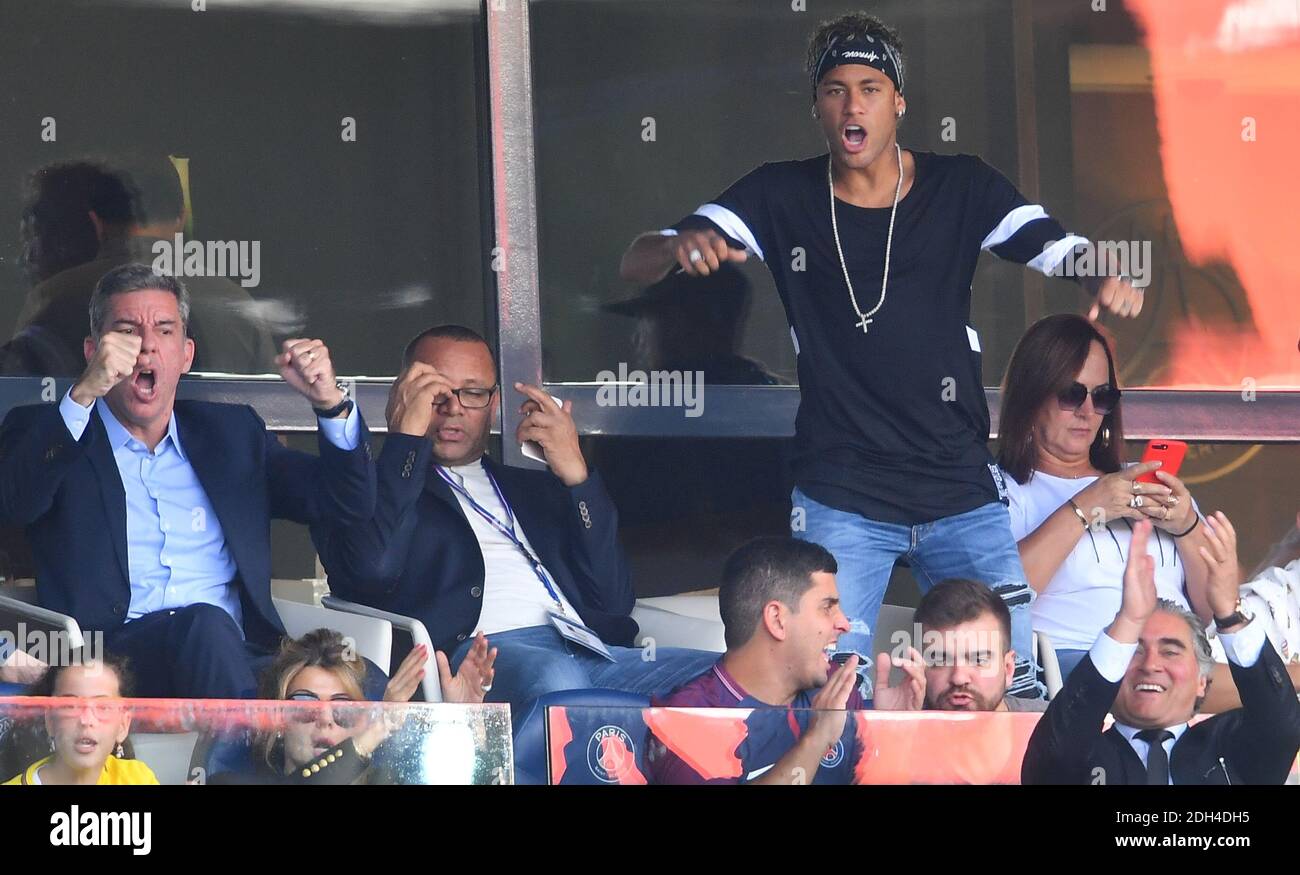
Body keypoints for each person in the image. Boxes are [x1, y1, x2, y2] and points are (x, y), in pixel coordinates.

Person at [619, 12, 1145, 699]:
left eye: (870, 86)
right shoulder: (781, 194)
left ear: (898, 101)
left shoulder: (960, 187)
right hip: (843, 490)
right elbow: (637, 260)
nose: (853, 103)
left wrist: (1098, 268)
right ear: (817, 106)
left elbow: (1051, 240)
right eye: (835, 89)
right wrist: (680, 247)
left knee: (1009, 685)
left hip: (957, 485)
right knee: (832, 691)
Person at [0, 263, 376, 698]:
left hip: (238, 654)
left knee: (361, 678)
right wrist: (84, 393)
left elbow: (348, 502)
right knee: (205, 624)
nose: (145, 347)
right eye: (126, 331)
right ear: (93, 351)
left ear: (186, 354)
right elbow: (15, 503)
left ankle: (304, 746)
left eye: (163, 330)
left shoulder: (231, 435)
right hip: (115, 663)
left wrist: (331, 404)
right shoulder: (50, 432)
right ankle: (252, 757)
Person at [312, 325, 715, 709]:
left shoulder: (532, 490)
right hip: (480, 657)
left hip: (590, 651)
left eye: (472, 393)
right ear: (404, 394)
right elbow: (370, 572)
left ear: (493, 401)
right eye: (435, 393)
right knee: (557, 680)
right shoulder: (371, 488)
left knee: (721, 679)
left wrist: (577, 476)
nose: (454, 409)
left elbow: (612, 601)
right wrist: (406, 444)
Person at [997, 313, 1212, 681]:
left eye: (1102, 397)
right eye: (1071, 394)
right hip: (1075, 662)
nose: (1086, 411)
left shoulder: (1138, 477)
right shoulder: (1004, 488)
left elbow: (1212, 610)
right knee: (1258, 685)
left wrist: (1188, 526)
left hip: (1178, 658)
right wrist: (1084, 507)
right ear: (1032, 395)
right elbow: (999, 602)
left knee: (1250, 674)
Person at [1022, 515, 1300, 784]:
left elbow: (1280, 723)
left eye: (1170, 651)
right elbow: (1056, 747)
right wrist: (1126, 622)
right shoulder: (1080, 755)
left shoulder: (1229, 751)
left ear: (1202, 681)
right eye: (1135, 651)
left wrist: (1229, 613)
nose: (1150, 664)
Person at [648, 537, 924, 785]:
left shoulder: (834, 689)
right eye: (828, 607)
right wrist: (816, 739)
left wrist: (892, 737)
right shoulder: (690, 719)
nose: (844, 624)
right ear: (777, 620)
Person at [4, 157, 277, 376]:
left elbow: (18, 408)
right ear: (182, 217)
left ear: (96, 222)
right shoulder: (236, 301)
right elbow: (274, 426)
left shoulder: (52, 298)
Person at [209, 627, 496, 784]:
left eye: (343, 708)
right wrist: (379, 725)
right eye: (305, 704)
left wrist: (469, 722)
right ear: (279, 721)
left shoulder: (388, 781)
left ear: (359, 721)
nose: (324, 718)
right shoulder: (231, 782)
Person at [874, 578, 1047, 714]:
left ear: (1008, 669)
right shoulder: (901, 719)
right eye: (941, 660)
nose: (959, 678)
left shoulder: (1053, 728)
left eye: (979, 660)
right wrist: (892, 728)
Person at [3, 651, 158, 785]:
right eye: (71, 705)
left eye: (103, 707)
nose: (86, 720)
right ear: (50, 720)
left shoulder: (138, 777)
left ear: (123, 724)